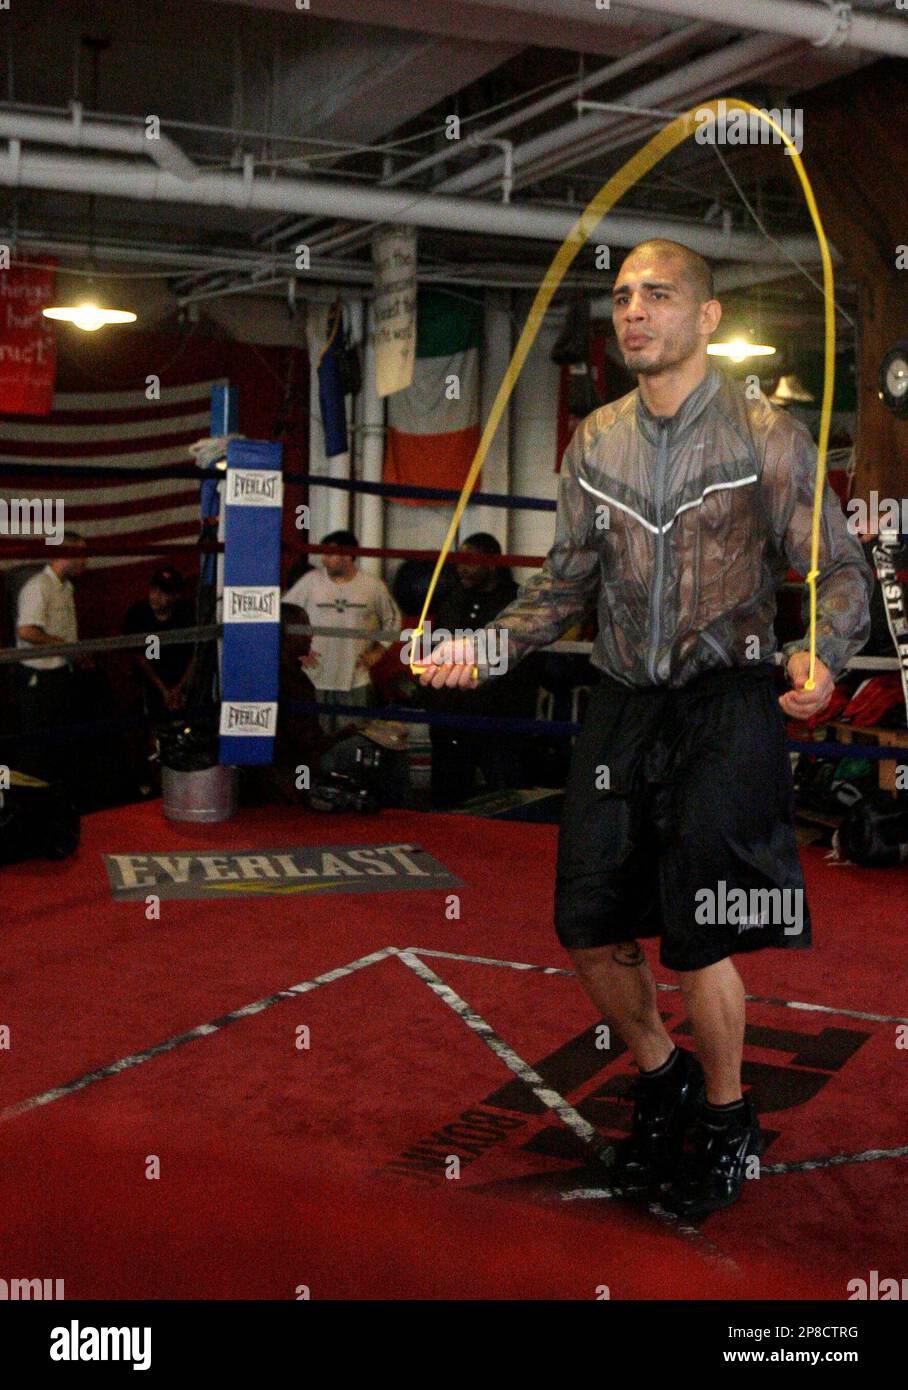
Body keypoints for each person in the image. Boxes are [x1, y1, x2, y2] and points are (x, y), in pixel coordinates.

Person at [421, 239, 872, 1219]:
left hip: (723, 705)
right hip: (620, 706)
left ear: (704, 317)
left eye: (656, 295)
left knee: (698, 930)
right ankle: (664, 1076)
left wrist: (823, 654)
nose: (632, 311)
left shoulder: (766, 437)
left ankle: (723, 1115)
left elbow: (839, 572)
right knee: (585, 921)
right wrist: (484, 649)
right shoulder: (593, 441)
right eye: (621, 295)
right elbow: (560, 588)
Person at [423, 532, 537, 808]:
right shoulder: (452, 598)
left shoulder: (516, 602)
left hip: (499, 713)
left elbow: (524, 655)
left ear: (492, 564)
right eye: (460, 560)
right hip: (453, 710)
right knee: (448, 790)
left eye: (470, 560)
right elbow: (436, 642)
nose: (462, 567)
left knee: (506, 791)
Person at [283, 530, 401, 734]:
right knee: (314, 737)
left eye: (330, 554)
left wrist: (377, 653)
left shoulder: (372, 586)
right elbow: (283, 614)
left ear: (348, 555)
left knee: (355, 738)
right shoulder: (310, 582)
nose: (324, 560)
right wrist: (295, 652)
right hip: (315, 677)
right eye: (323, 554)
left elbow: (393, 621)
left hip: (354, 679)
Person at [14, 534, 88, 782]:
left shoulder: (65, 587)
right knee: (38, 743)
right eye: (82, 554)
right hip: (39, 677)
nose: (86, 561)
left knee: (59, 742)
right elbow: (26, 630)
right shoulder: (38, 587)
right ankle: (31, 801)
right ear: (67, 555)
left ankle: (55, 796)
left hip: (60, 674)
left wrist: (73, 654)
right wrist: (65, 646)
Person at [123, 567, 195, 719]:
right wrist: (163, 690)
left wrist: (180, 688)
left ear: (176, 595)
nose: (156, 596)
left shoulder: (187, 614)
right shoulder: (139, 615)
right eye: (154, 590)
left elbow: (197, 654)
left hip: (186, 682)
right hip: (152, 684)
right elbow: (142, 658)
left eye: (164, 592)